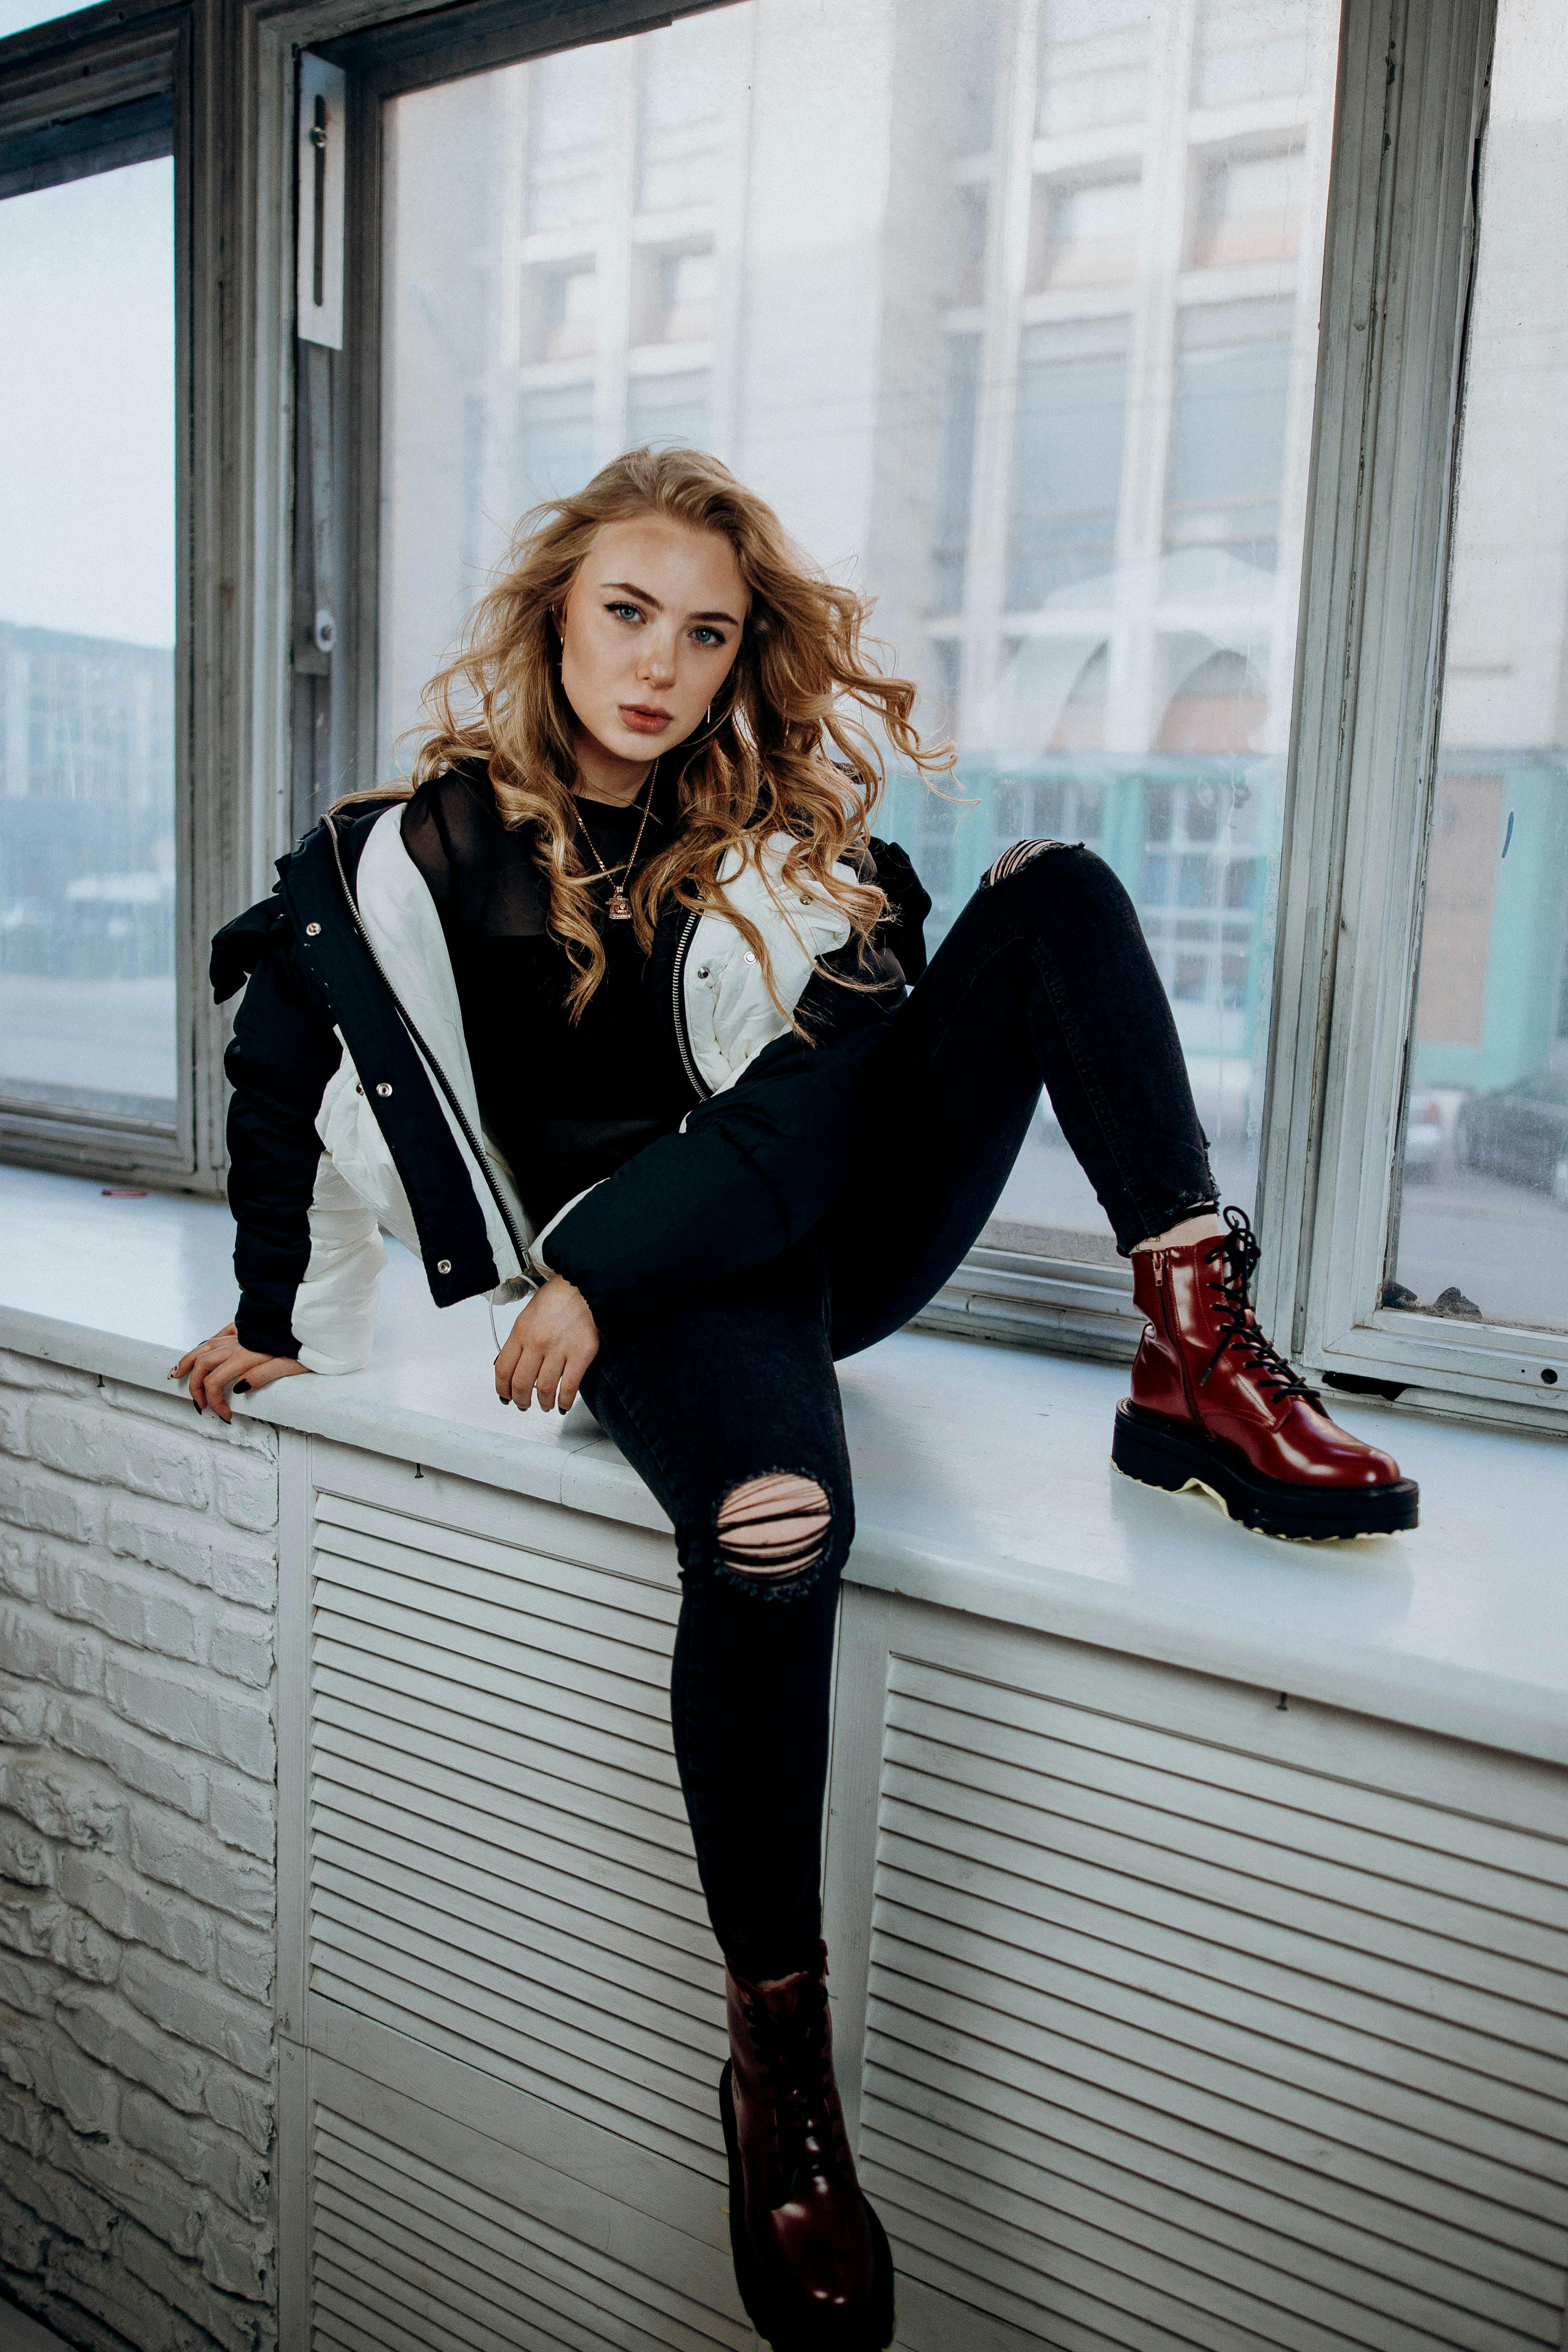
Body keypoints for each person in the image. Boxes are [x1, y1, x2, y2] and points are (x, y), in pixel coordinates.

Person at [176, 446, 1416, 2352]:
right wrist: (278, 1311)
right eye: (625, 614)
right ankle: (780, 2063)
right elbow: (278, 1063)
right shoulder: (409, 853)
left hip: (792, 1228)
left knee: (1055, 893)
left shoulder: (780, 843)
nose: (659, 664)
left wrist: (597, 1271)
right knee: (773, 1526)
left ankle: (1193, 1346)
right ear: (551, 614)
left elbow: (824, 1100)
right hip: (679, 1301)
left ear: (743, 652)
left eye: (705, 630)